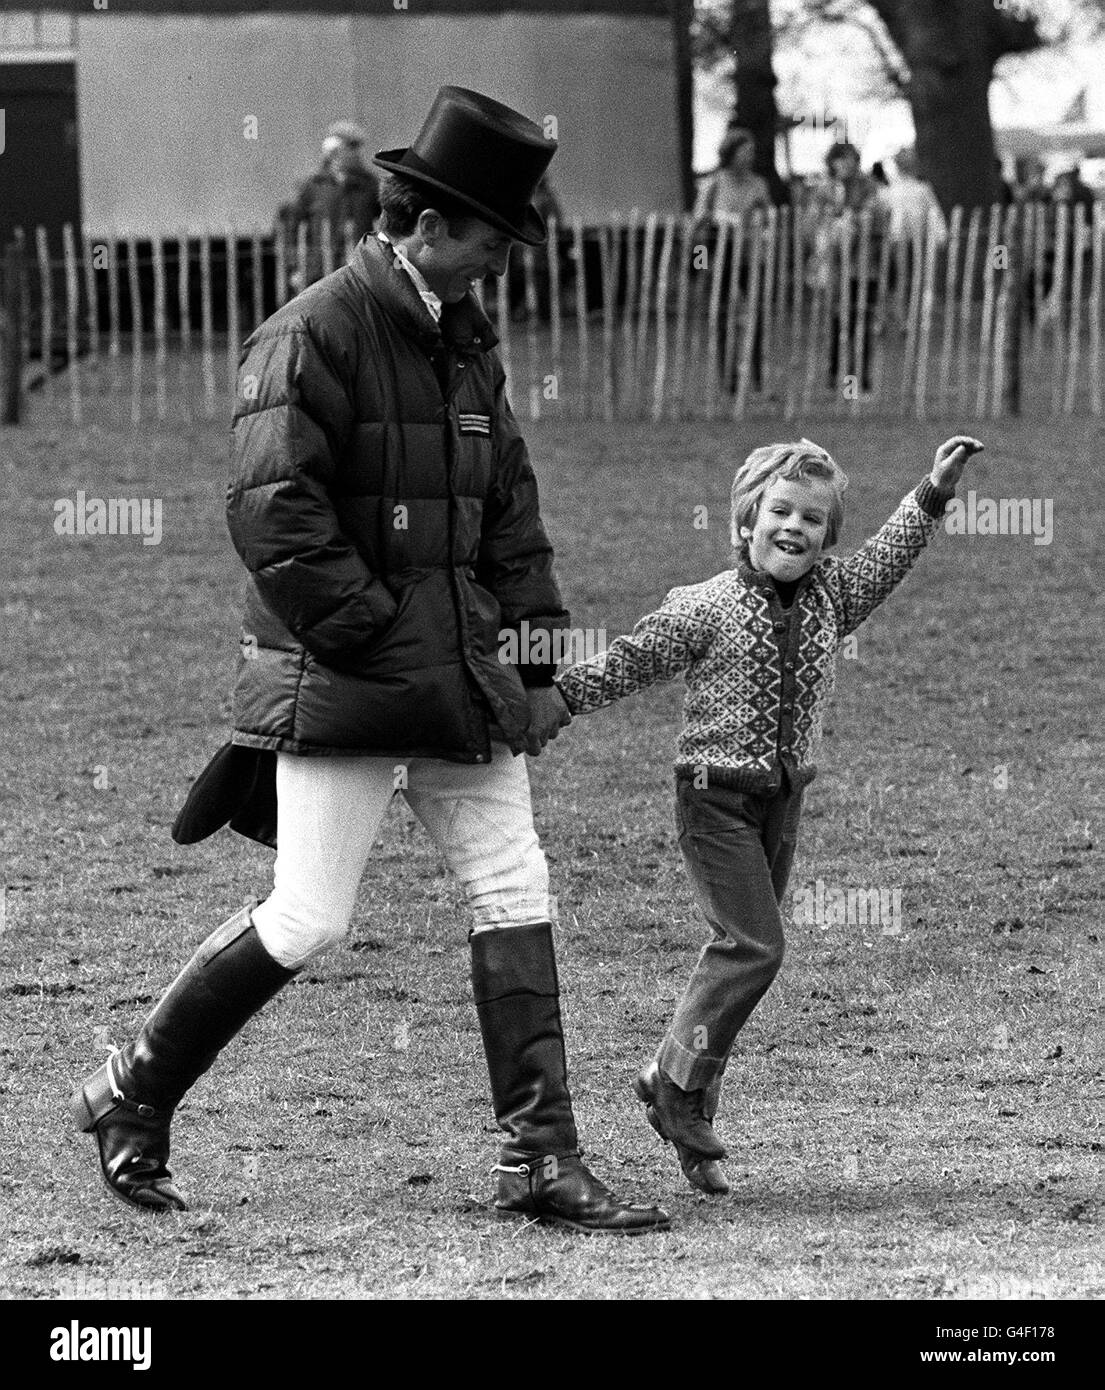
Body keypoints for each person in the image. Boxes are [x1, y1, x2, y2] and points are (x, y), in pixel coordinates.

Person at [70, 86, 668, 1238]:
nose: (503, 262)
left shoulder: (467, 343)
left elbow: (510, 515)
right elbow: (274, 519)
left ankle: (539, 1158)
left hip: (461, 682)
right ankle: (130, 1093)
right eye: (496, 238)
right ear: (434, 223)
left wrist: (536, 660)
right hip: (348, 681)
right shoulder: (309, 332)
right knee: (308, 916)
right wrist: (397, 644)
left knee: (514, 885)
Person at [552, 434, 983, 1193]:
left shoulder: (831, 597)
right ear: (745, 521)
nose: (794, 527)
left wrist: (932, 492)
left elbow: (889, 555)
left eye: (812, 519)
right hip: (713, 797)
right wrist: (551, 704)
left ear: (826, 536)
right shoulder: (704, 606)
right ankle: (675, 1087)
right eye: (779, 511)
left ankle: (683, 1115)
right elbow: (627, 660)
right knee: (753, 948)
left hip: (781, 803)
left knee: (741, 955)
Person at [694, 128, 772, 393]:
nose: (749, 157)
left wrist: (761, 225)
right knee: (724, 316)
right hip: (722, 258)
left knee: (756, 317)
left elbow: (768, 216)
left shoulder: (758, 184)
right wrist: (721, 219)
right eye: (744, 151)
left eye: (751, 152)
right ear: (731, 152)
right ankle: (728, 378)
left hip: (751, 257)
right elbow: (699, 218)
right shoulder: (714, 183)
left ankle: (756, 377)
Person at [808, 140, 888, 392]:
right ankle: (835, 375)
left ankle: (859, 378)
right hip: (835, 267)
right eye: (840, 158)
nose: (846, 164)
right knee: (838, 321)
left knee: (863, 321)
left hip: (865, 267)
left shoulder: (871, 187)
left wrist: (860, 219)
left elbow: (879, 218)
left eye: (850, 158)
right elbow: (812, 224)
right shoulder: (825, 190)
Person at [278, 119, 382, 291]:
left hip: (358, 269)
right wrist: (294, 267)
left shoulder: (370, 185)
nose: (357, 153)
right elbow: (290, 227)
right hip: (319, 270)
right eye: (352, 146)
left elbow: (388, 222)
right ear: (334, 151)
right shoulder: (313, 185)